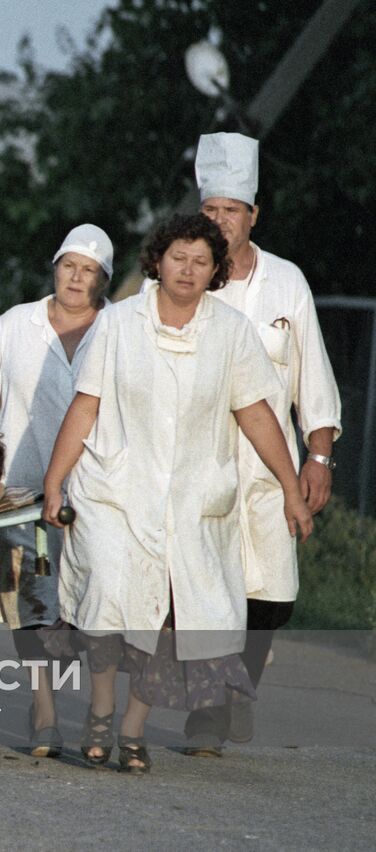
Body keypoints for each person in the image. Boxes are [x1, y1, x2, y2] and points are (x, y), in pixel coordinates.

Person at [42, 213, 313, 775]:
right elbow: (85, 405)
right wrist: (54, 480)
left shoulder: (231, 331)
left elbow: (258, 413)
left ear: (215, 270)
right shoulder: (117, 323)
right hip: (114, 492)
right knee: (107, 597)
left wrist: (291, 487)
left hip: (192, 499)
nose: (188, 270)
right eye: (178, 258)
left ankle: (133, 727)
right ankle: (99, 711)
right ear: (157, 261)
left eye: (201, 261)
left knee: (168, 614)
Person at [182, 132, 342, 756]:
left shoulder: (286, 284)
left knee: (268, 593)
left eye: (232, 211)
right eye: (211, 210)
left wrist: (319, 456)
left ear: (254, 215)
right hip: (202, 461)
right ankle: (204, 709)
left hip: (271, 469)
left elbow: (314, 380)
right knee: (202, 587)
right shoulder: (184, 276)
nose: (220, 222)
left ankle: (240, 687)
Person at [0, 223, 111, 757]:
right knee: (30, 602)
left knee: (95, 603)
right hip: (18, 492)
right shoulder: (16, 324)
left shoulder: (119, 330)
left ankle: (98, 710)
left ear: (103, 280)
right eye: (69, 265)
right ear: (55, 268)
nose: (75, 277)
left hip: (97, 493)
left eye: (88, 271)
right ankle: (43, 708)